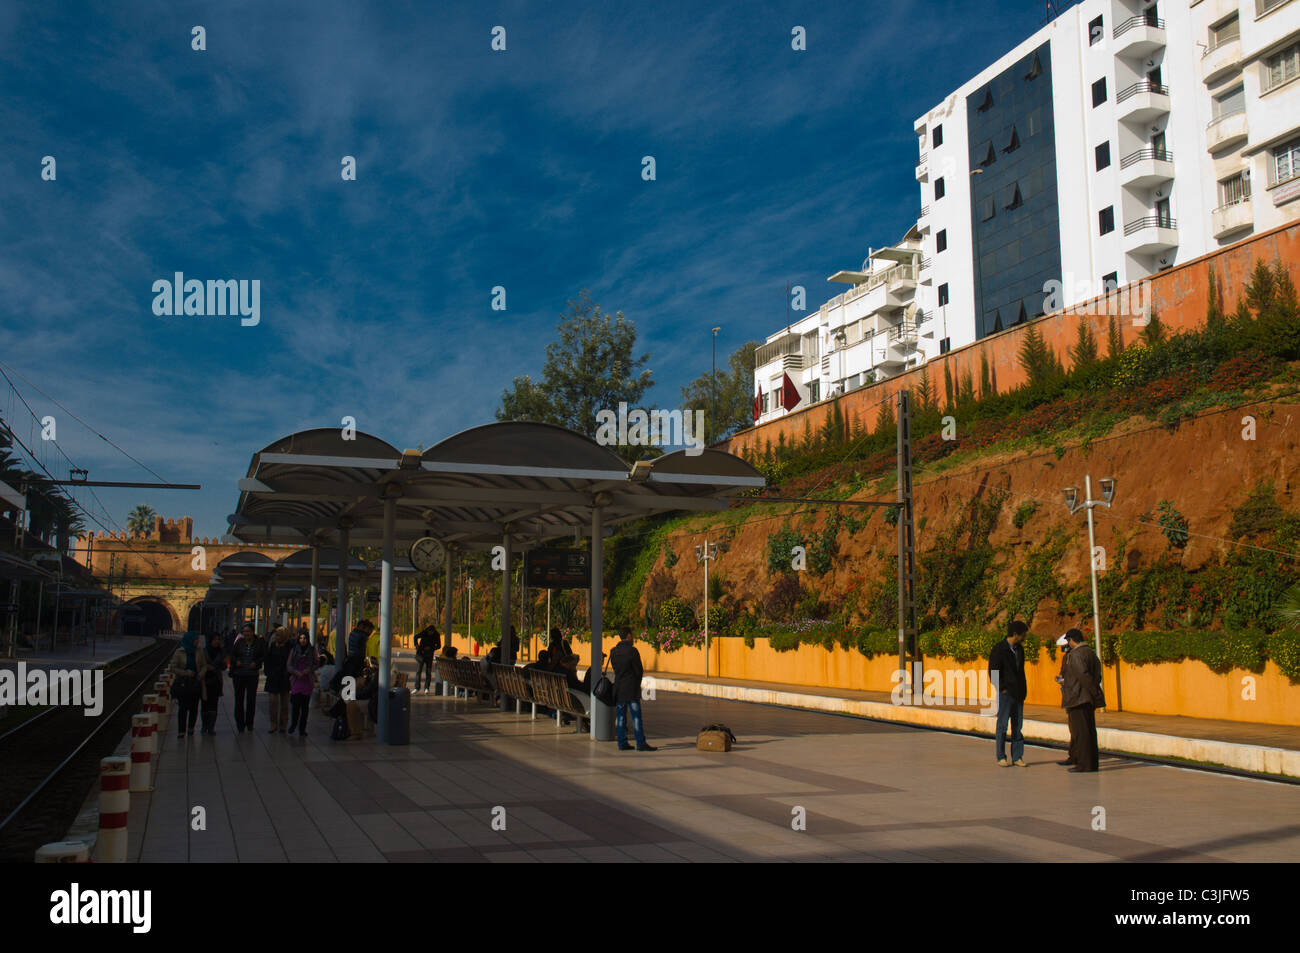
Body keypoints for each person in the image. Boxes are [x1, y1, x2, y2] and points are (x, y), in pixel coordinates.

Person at [1061, 628, 1106, 773]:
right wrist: (1094, 692)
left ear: (1072, 640)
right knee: (1089, 731)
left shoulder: (1075, 655)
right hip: (1087, 698)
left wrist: (1090, 690)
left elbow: (1082, 675)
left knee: (1081, 733)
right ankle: (1091, 763)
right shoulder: (1091, 653)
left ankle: (1084, 764)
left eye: (1068, 640)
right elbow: (1097, 674)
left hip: (1078, 698)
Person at [988, 619, 1028, 767]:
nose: (1024, 637)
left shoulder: (1019, 650)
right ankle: (1001, 756)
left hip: (1018, 693)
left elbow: (1021, 671)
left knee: (1017, 726)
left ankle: (1017, 756)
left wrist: (1023, 689)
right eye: (1023, 634)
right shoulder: (999, 649)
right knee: (1002, 726)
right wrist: (1002, 688)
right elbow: (993, 671)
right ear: (1015, 634)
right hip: (1006, 694)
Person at [610, 627, 655, 751]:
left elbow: (615, 669)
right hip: (631, 688)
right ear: (629, 636)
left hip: (619, 688)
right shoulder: (632, 651)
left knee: (620, 717)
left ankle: (621, 742)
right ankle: (640, 743)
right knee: (636, 716)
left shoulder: (613, 651)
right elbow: (638, 670)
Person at [228, 622, 266, 733]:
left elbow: (263, 656)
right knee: (239, 699)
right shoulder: (239, 642)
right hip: (239, 674)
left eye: (248, 631)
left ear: (252, 632)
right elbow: (232, 655)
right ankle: (240, 723)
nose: (246, 634)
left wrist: (256, 663)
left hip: (252, 675)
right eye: (244, 632)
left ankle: (249, 722)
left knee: (251, 699)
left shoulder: (258, 643)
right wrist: (237, 662)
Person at [169, 632, 207, 739]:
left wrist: (201, 674)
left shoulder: (199, 651)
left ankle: (191, 728)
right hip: (183, 684)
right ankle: (181, 731)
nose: (197, 641)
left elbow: (204, 665)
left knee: (194, 707)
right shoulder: (179, 652)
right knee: (183, 708)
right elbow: (173, 667)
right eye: (195, 639)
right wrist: (185, 673)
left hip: (196, 683)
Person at [286, 629, 318, 737]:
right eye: (300, 638)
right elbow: (289, 665)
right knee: (295, 706)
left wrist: (308, 670)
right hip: (296, 680)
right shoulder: (294, 650)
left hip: (307, 680)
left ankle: (302, 728)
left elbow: (316, 663)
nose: (302, 640)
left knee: (305, 707)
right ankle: (293, 724)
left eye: (304, 638)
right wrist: (295, 672)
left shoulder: (312, 650)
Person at [263, 625, 293, 734]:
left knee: (285, 703)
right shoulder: (272, 646)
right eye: (276, 635)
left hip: (284, 677)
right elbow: (267, 660)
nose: (277, 637)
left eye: (279, 635)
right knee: (273, 702)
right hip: (273, 677)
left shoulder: (289, 647)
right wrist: (268, 672)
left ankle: (283, 724)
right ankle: (273, 723)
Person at [1054, 633, 1076, 766]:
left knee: (1077, 728)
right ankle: (1073, 754)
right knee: (1072, 727)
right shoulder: (1066, 658)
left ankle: (1076, 754)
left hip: (1076, 696)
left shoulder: (1076, 656)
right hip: (1068, 695)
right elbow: (1064, 672)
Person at [201, 632, 226, 734]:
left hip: (216, 681)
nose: (217, 641)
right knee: (204, 703)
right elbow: (199, 663)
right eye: (215, 639)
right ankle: (204, 725)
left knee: (214, 704)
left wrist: (223, 650)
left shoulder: (221, 652)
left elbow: (225, 666)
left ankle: (211, 727)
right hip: (205, 680)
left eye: (218, 639)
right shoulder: (204, 651)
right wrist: (206, 667)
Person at [414, 625, 441, 694]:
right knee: (418, 671)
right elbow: (416, 637)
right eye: (429, 632)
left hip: (429, 654)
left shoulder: (437, 635)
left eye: (431, 632)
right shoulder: (424, 632)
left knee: (428, 672)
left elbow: (439, 646)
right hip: (421, 653)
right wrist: (416, 644)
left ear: (433, 632)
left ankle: (426, 688)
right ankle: (417, 687)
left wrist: (431, 648)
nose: (430, 634)